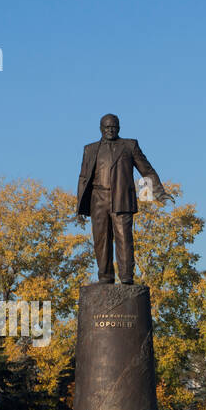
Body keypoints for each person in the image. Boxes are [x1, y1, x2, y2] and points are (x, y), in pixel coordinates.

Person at [75, 114, 172, 284]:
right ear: (100, 129)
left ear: (119, 128)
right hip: (98, 199)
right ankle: (105, 277)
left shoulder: (129, 146)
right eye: (107, 127)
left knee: (124, 239)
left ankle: (127, 277)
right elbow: (83, 178)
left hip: (121, 198)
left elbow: (146, 171)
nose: (110, 130)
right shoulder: (90, 149)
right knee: (101, 240)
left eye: (114, 127)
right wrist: (79, 205)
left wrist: (159, 193)